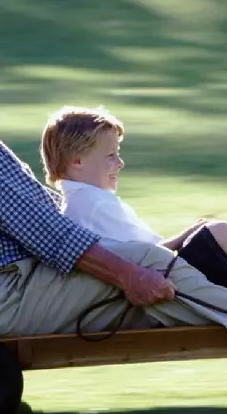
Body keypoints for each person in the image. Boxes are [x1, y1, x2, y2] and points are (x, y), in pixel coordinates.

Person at [0, 7, 227, 346]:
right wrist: (131, 275)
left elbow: (37, 210)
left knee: (149, 259)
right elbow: (48, 231)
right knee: (151, 263)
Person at [40, 105, 227, 286]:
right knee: (219, 232)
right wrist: (187, 233)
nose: (119, 163)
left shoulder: (80, 202)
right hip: (161, 281)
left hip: (158, 271)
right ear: (77, 161)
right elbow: (148, 256)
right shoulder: (93, 205)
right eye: (110, 155)